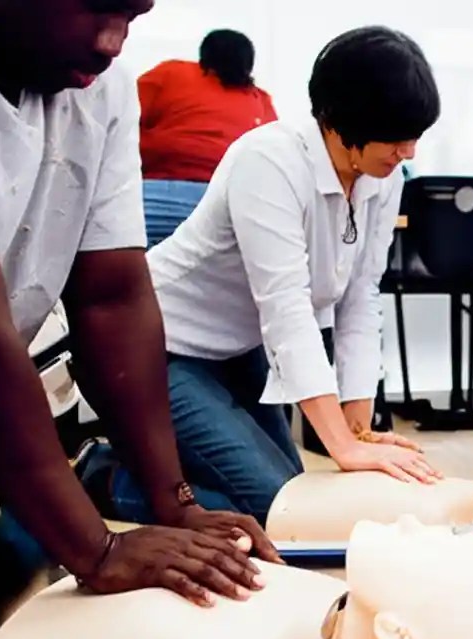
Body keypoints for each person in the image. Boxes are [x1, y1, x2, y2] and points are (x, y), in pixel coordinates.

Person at [0, 0, 279, 639]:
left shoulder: (99, 87)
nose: (112, 41)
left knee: (1, 561)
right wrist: (96, 551)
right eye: (98, 6)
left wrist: (173, 500)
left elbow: (111, 295)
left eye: (132, 14)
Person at [75, 26, 444, 527]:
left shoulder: (382, 178)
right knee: (277, 509)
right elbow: (286, 309)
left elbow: (359, 299)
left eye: (416, 136)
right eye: (398, 137)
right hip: (155, 344)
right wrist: (339, 445)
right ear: (342, 123)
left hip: (237, 350)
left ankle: (156, 461)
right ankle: (102, 478)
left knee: (299, 497)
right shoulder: (269, 161)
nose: (409, 152)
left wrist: (358, 433)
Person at [138, 29, 278, 246]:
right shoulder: (260, 101)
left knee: (108, 255)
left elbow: (120, 122)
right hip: (227, 207)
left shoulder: (171, 73)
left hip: (154, 197)